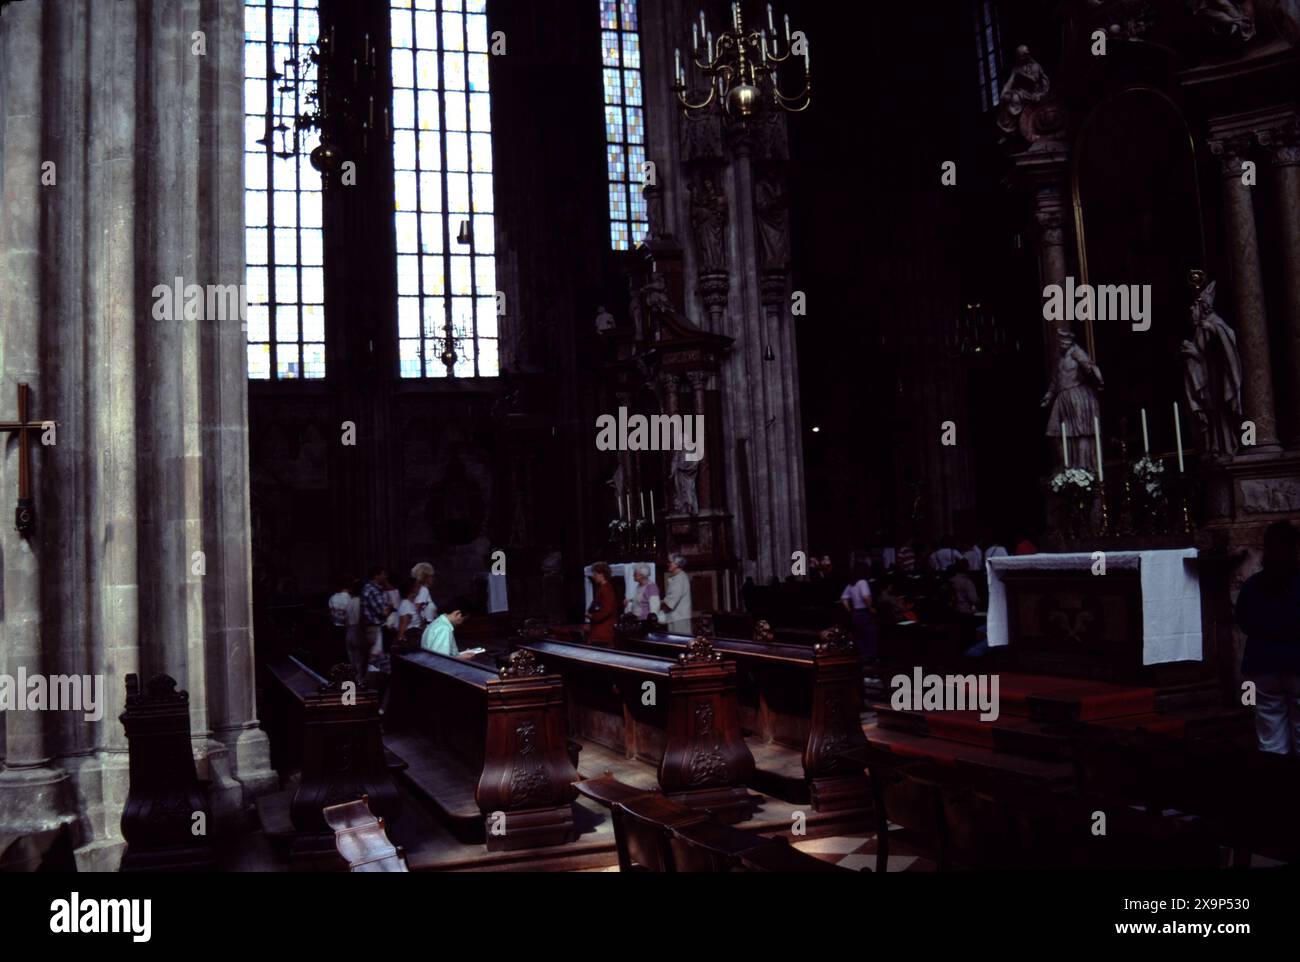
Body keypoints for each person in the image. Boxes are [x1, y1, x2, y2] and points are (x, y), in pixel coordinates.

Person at [1237, 521, 1300, 755]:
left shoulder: (1252, 586)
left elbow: (1244, 622)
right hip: (1296, 662)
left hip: (1261, 666)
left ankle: (1275, 776)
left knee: (1270, 734)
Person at [358, 567, 390, 680]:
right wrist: (391, 607)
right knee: (375, 660)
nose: (385, 577)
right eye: (383, 574)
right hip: (374, 628)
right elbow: (383, 611)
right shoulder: (373, 590)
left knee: (369, 658)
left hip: (369, 628)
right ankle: (370, 684)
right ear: (376, 575)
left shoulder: (367, 588)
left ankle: (365, 682)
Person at [840, 563, 877, 662]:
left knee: (859, 636)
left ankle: (863, 657)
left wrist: (849, 610)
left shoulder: (851, 584)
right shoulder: (863, 582)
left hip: (855, 613)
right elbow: (865, 597)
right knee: (870, 635)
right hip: (864, 612)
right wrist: (870, 608)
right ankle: (870, 658)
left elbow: (843, 598)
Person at [661, 554, 693, 635]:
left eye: (670, 562)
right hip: (676, 618)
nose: (668, 564)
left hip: (679, 619)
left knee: (680, 641)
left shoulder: (679, 579)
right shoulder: (678, 578)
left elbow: (670, 604)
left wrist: (656, 609)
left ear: (677, 564)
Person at [587, 562, 618, 645]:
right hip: (600, 629)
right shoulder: (602, 588)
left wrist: (593, 616)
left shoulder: (606, 589)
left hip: (604, 630)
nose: (593, 576)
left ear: (602, 574)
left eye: (595, 574)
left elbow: (608, 609)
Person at [394, 577, 426, 645]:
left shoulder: (411, 604)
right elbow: (402, 629)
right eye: (417, 586)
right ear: (412, 589)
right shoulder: (406, 605)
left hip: (415, 639)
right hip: (410, 641)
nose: (419, 589)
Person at [328, 576, 351, 656]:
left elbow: (331, 614)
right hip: (346, 628)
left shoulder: (332, 598)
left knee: (337, 649)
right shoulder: (349, 598)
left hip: (335, 626)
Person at [410, 561, 437, 630]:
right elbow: (416, 609)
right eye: (432, 576)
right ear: (425, 577)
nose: (433, 579)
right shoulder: (424, 590)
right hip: (425, 628)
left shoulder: (420, 590)